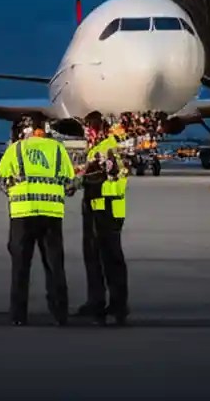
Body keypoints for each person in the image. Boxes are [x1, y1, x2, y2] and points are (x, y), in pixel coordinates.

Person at [0, 120, 75, 326]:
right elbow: (69, 182)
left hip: (23, 213)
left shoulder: (16, 149)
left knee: (20, 266)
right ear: (46, 131)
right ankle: (60, 313)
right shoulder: (58, 149)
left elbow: (3, 179)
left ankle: (18, 315)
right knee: (55, 265)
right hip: (51, 214)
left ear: (28, 131)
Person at [76, 123, 130, 325]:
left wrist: (82, 177)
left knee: (104, 258)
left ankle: (109, 304)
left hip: (103, 208)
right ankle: (109, 303)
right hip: (106, 207)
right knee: (103, 258)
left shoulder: (105, 148)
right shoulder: (108, 147)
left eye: (88, 130)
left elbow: (104, 177)